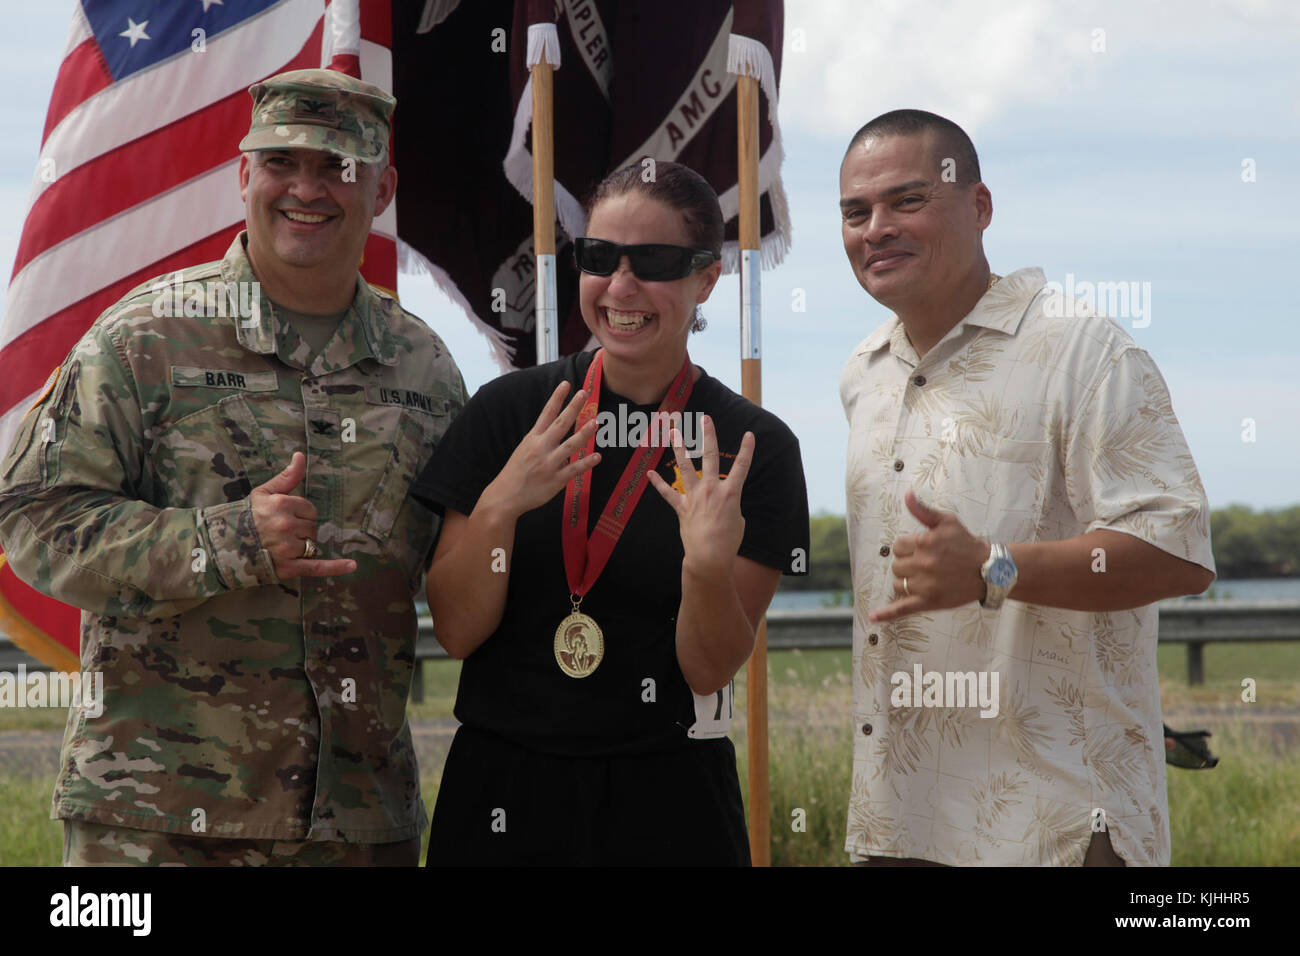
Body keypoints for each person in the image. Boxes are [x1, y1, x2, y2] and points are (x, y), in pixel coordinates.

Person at [0, 69, 466, 866]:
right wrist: (220, 542)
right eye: (283, 161)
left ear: (381, 188)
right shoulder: (144, 339)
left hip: (356, 829)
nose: (307, 188)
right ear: (244, 174)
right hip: (155, 824)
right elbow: (35, 520)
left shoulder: (425, 370)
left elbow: (455, 566)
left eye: (338, 168)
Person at [837, 109, 1215, 866]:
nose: (876, 227)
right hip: (896, 821)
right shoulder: (863, 372)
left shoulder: (1084, 349)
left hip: (1055, 825)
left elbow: (1176, 551)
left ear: (978, 207)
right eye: (855, 211)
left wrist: (992, 570)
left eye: (907, 200)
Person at [412, 160, 810, 866]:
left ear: (706, 278)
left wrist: (709, 567)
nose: (621, 286)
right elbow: (458, 630)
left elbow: (710, 669)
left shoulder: (753, 447)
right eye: (598, 258)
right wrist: (501, 504)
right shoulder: (507, 413)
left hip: (669, 797)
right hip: (505, 789)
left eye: (652, 262)